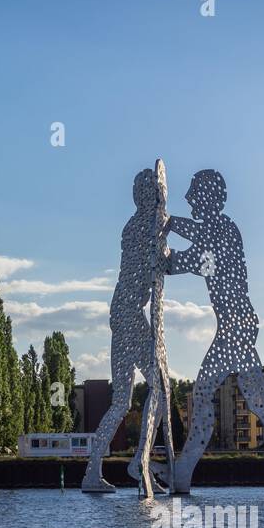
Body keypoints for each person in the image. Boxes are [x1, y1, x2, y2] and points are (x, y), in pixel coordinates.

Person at [163, 169, 264, 493]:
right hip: (237, 326)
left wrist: (166, 221)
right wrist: (165, 241)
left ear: (209, 198)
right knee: (256, 398)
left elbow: (186, 252)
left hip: (236, 327)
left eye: (193, 193)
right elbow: (180, 262)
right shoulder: (212, 242)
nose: (188, 198)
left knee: (203, 394)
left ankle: (183, 474)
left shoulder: (222, 230)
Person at [82, 167, 169, 493]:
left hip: (121, 315)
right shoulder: (149, 224)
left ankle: (93, 473)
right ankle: (138, 464)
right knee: (160, 393)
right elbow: (161, 262)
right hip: (130, 316)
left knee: (121, 402)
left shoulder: (134, 225)